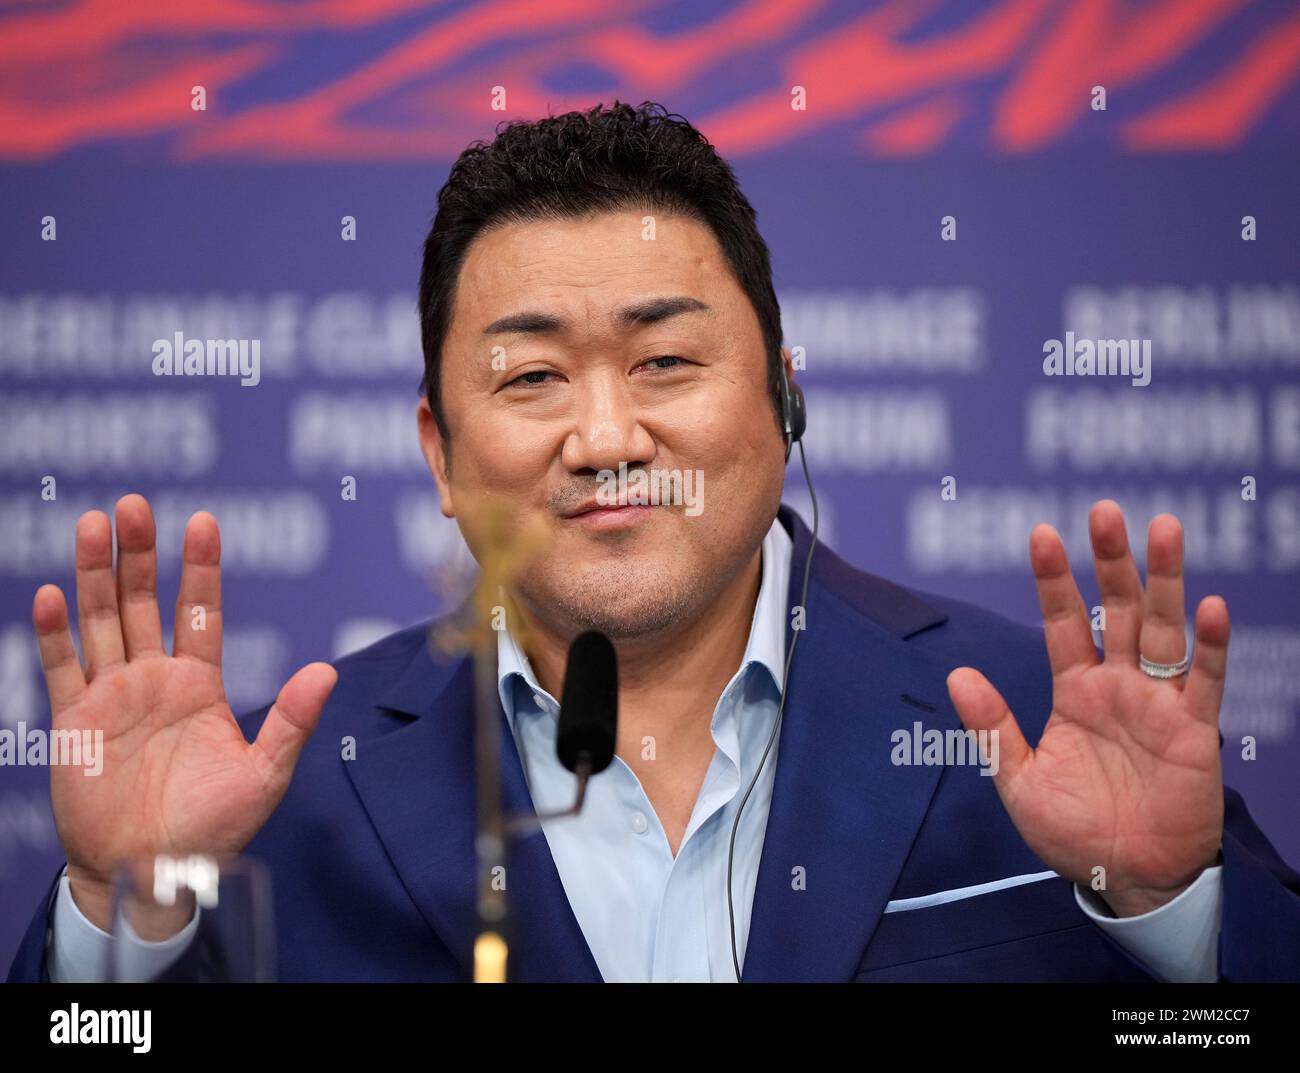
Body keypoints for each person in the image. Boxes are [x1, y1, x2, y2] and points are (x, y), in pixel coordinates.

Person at [9, 101, 1300, 983]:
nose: (606, 432)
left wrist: (1172, 917)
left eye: (666, 359)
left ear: (786, 399)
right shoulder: (268, 796)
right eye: (531, 380)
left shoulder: (1030, 719)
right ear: (438, 453)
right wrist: (126, 924)